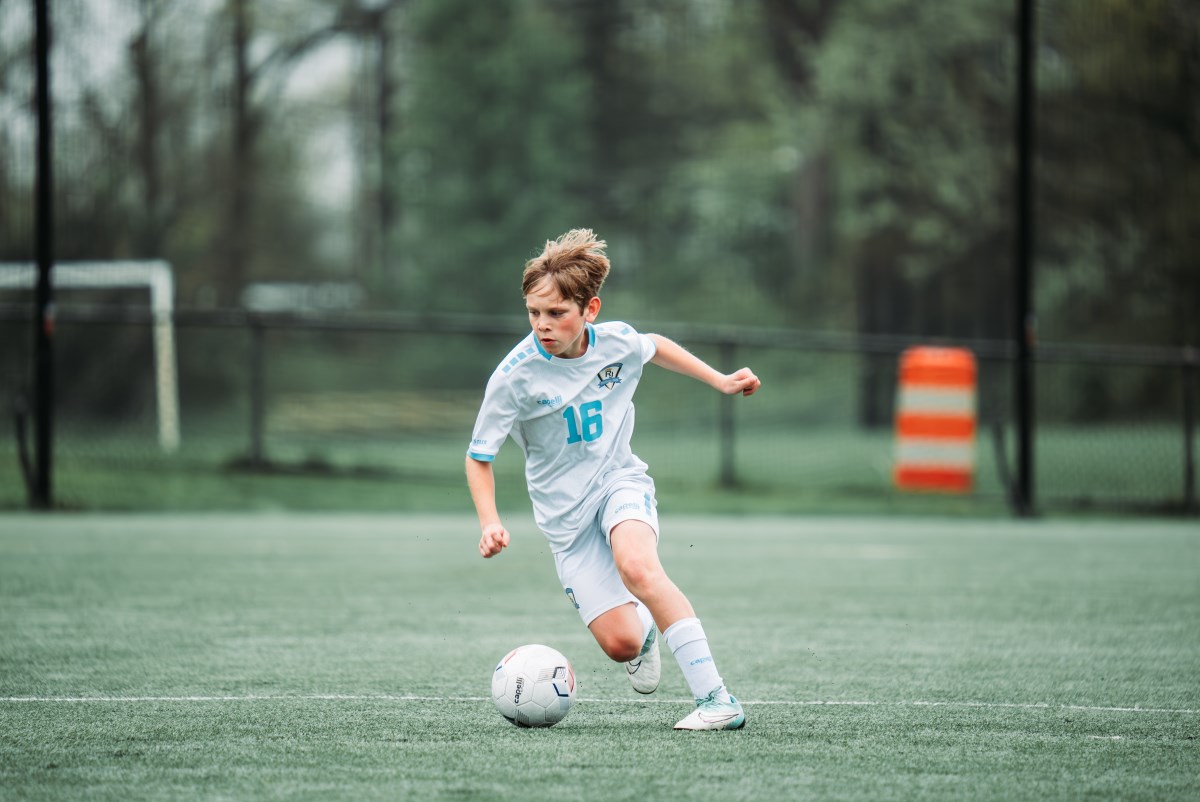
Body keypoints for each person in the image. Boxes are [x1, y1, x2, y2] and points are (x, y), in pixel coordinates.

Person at [465, 229, 761, 730]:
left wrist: (720, 380)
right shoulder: (513, 377)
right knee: (620, 642)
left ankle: (717, 700)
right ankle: (644, 635)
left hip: (619, 483)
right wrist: (489, 522)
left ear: (590, 310)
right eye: (534, 313)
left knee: (639, 569)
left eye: (557, 313)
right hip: (565, 523)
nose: (543, 325)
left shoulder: (616, 341)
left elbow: (655, 347)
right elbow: (478, 457)